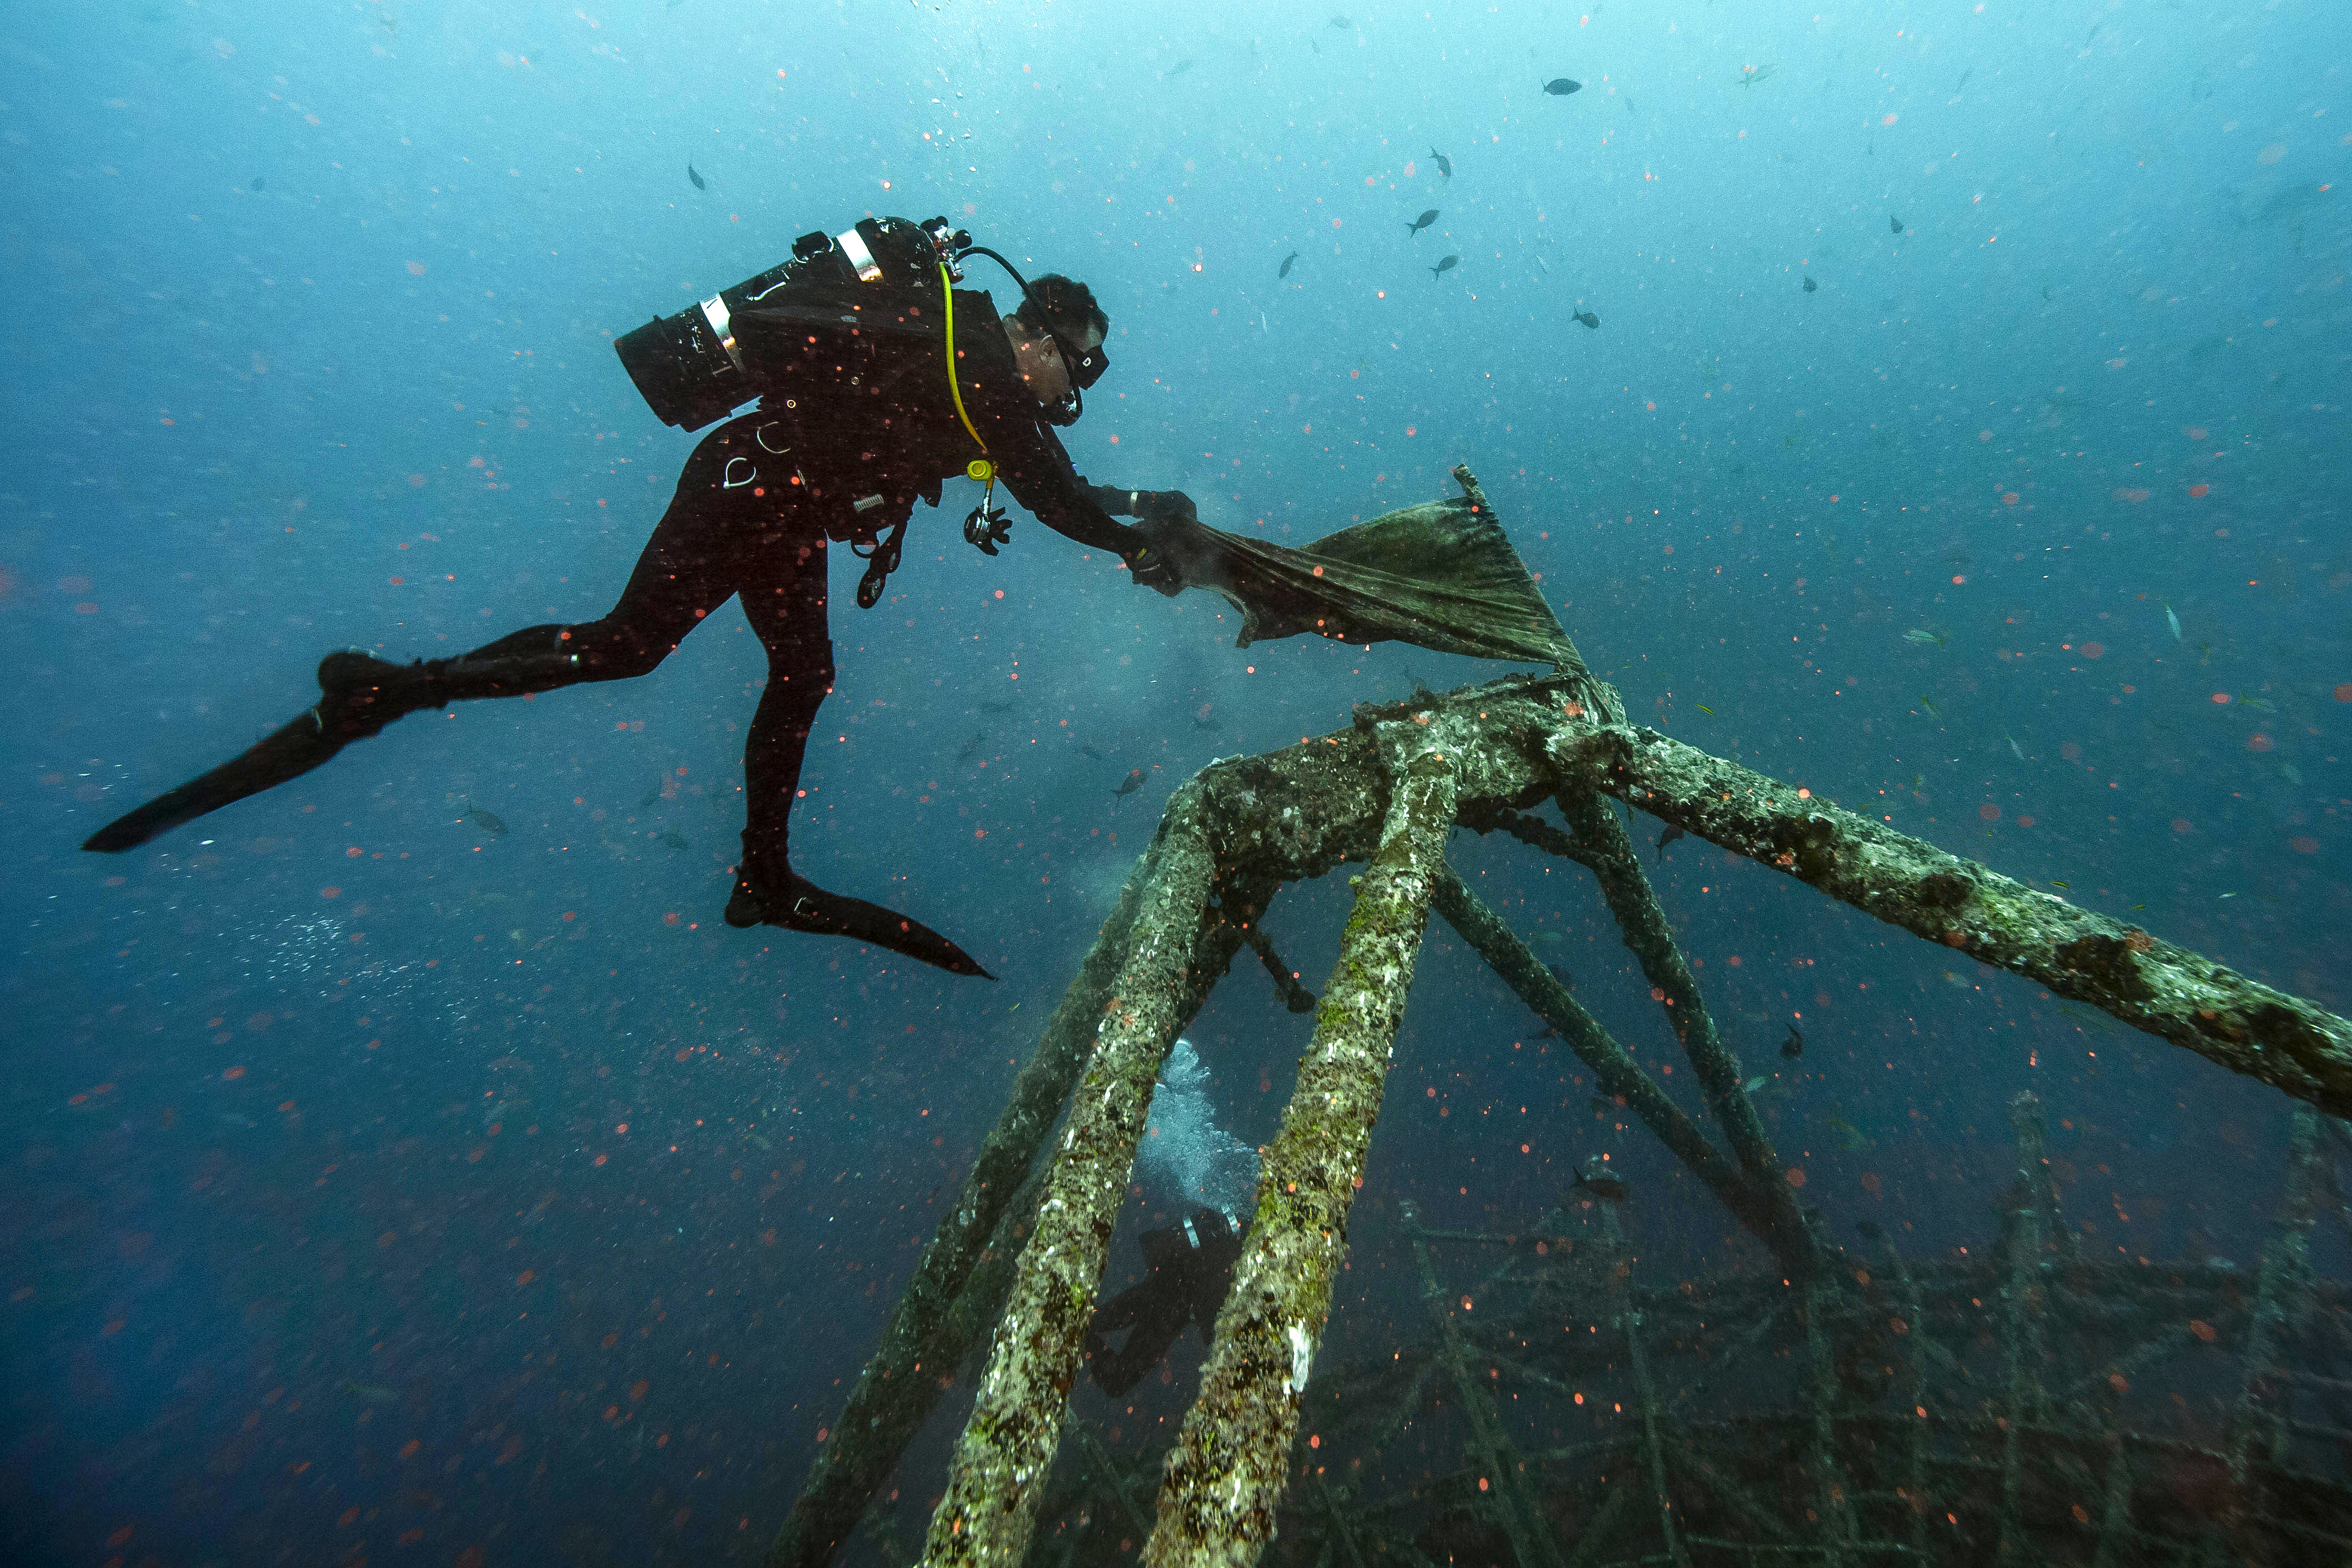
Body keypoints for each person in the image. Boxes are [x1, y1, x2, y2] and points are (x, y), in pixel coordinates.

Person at [84, 226, 1197, 977]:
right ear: (1040, 336)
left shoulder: (968, 387)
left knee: (804, 674)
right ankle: (388, 692)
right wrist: (1132, 544)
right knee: (628, 647)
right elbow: (1056, 499)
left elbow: (1054, 484)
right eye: (1081, 371)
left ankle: (764, 875)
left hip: (781, 508)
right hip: (751, 481)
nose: (1077, 394)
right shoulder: (975, 355)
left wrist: (1154, 513)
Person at [1083, 1208, 1245, 1397]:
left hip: (1156, 1292)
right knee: (1116, 1381)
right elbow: (1210, 1326)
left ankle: (1080, 1338)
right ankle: (1083, 1340)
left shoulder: (1209, 1234)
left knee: (1088, 1324)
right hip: (1169, 1315)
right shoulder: (1230, 1263)